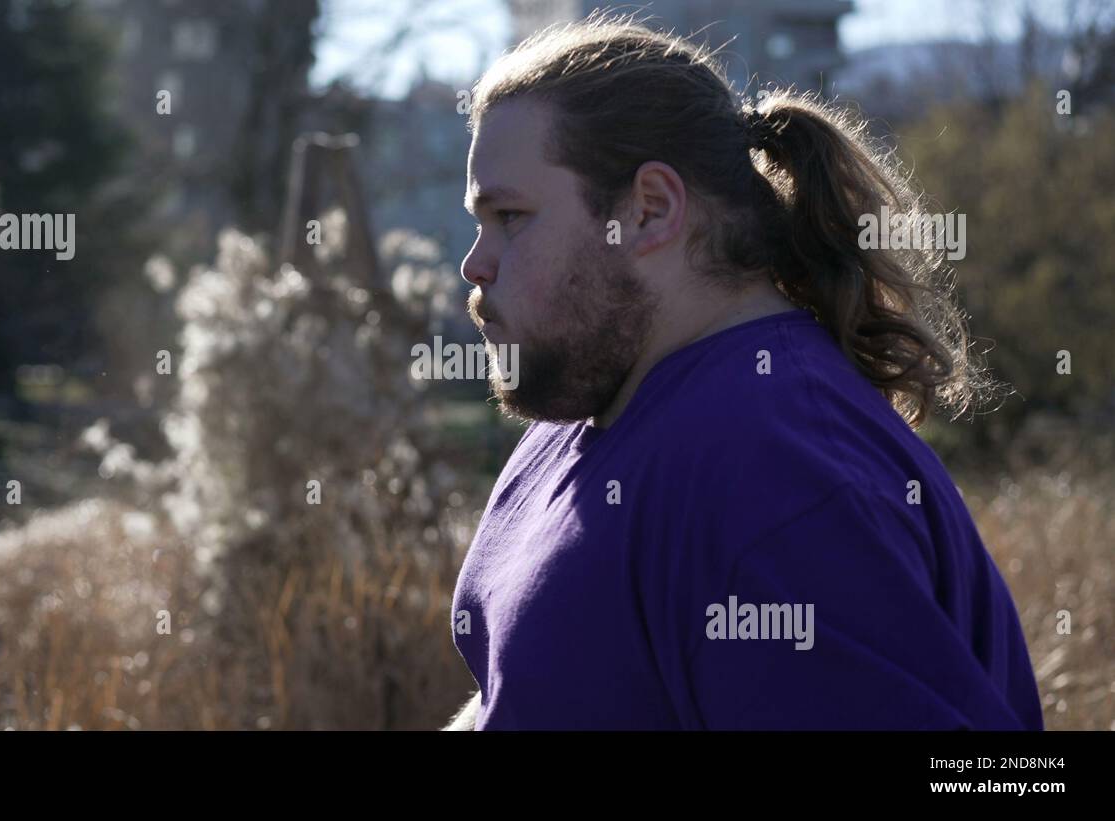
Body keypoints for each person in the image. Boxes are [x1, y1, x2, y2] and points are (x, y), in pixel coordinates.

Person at [442, 13, 1043, 730]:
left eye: (510, 216)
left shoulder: (776, 475)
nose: (474, 264)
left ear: (650, 211)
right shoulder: (588, 413)